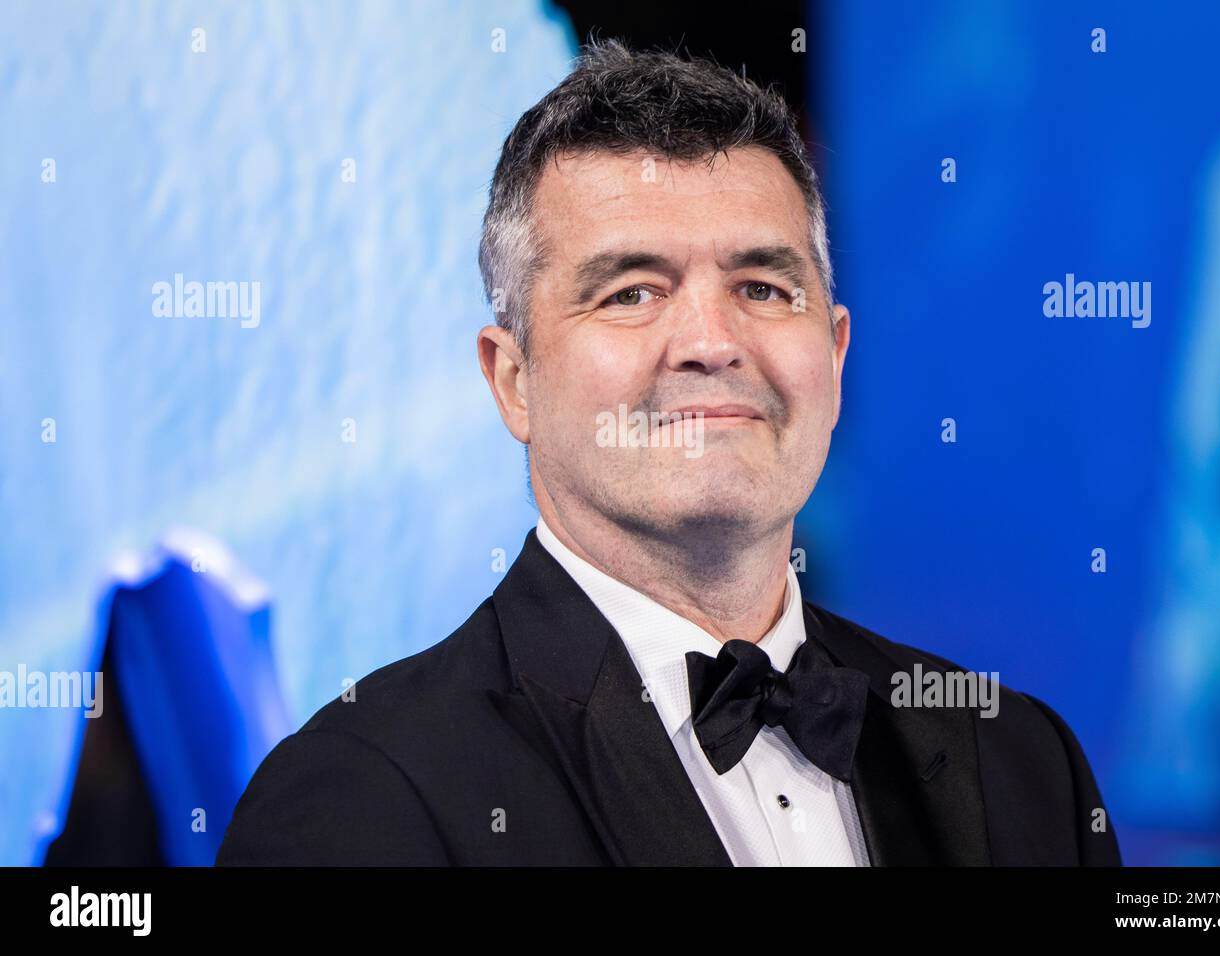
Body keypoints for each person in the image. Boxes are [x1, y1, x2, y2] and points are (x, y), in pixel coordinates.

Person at [217, 38, 1121, 866]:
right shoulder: (362, 797)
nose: (711, 341)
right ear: (514, 380)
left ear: (836, 358)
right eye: (632, 293)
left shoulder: (1018, 757)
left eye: (764, 288)